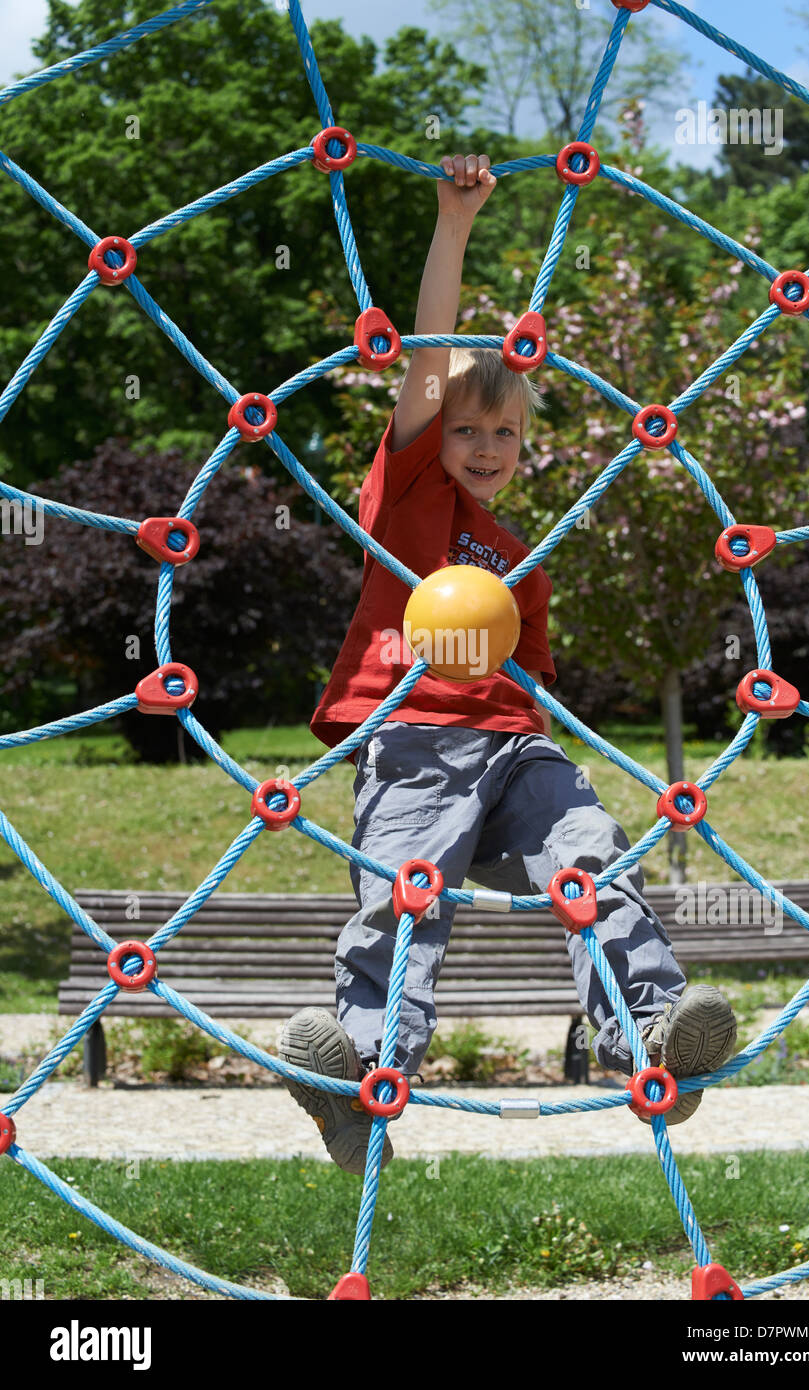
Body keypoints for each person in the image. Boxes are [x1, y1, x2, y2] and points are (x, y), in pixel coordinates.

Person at [280, 153, 737, 1174]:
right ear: (433, 433)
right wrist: (455, 225)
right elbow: (431, 359)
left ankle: (655, 1036)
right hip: (415, 745)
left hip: (513, 754)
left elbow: (532, 675)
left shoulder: (516, 554)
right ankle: (357, 1079)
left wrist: (532, 746)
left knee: (592, 853)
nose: (485, 446)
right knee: (407, 897)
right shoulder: (408, 504)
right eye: (468, 428)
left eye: (507, 433)